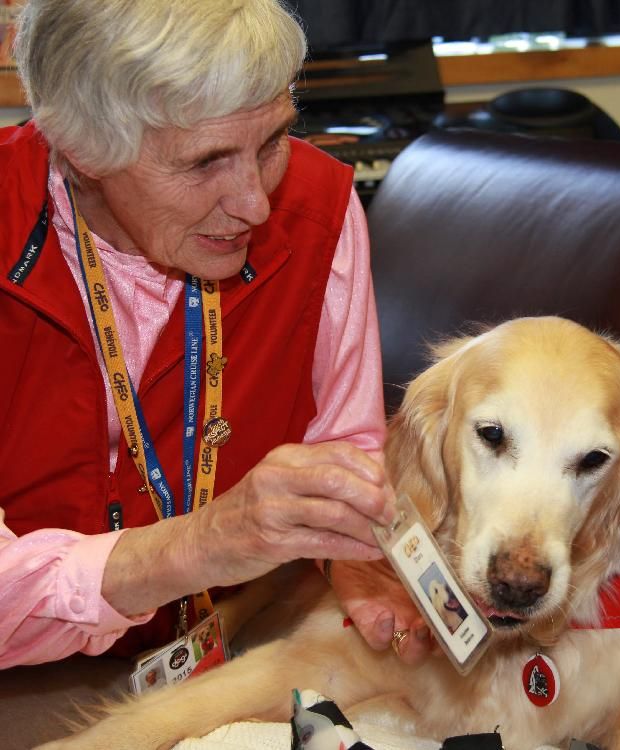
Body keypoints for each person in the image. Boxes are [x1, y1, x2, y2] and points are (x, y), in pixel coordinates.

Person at [0, 0, 428, 669]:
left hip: (229, 640)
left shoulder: (318, 206)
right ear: (81, 153)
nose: (256, 202)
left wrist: (341, 544)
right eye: (205, 162)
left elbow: (345, 443)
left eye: (272, 142)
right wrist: (198, 545)